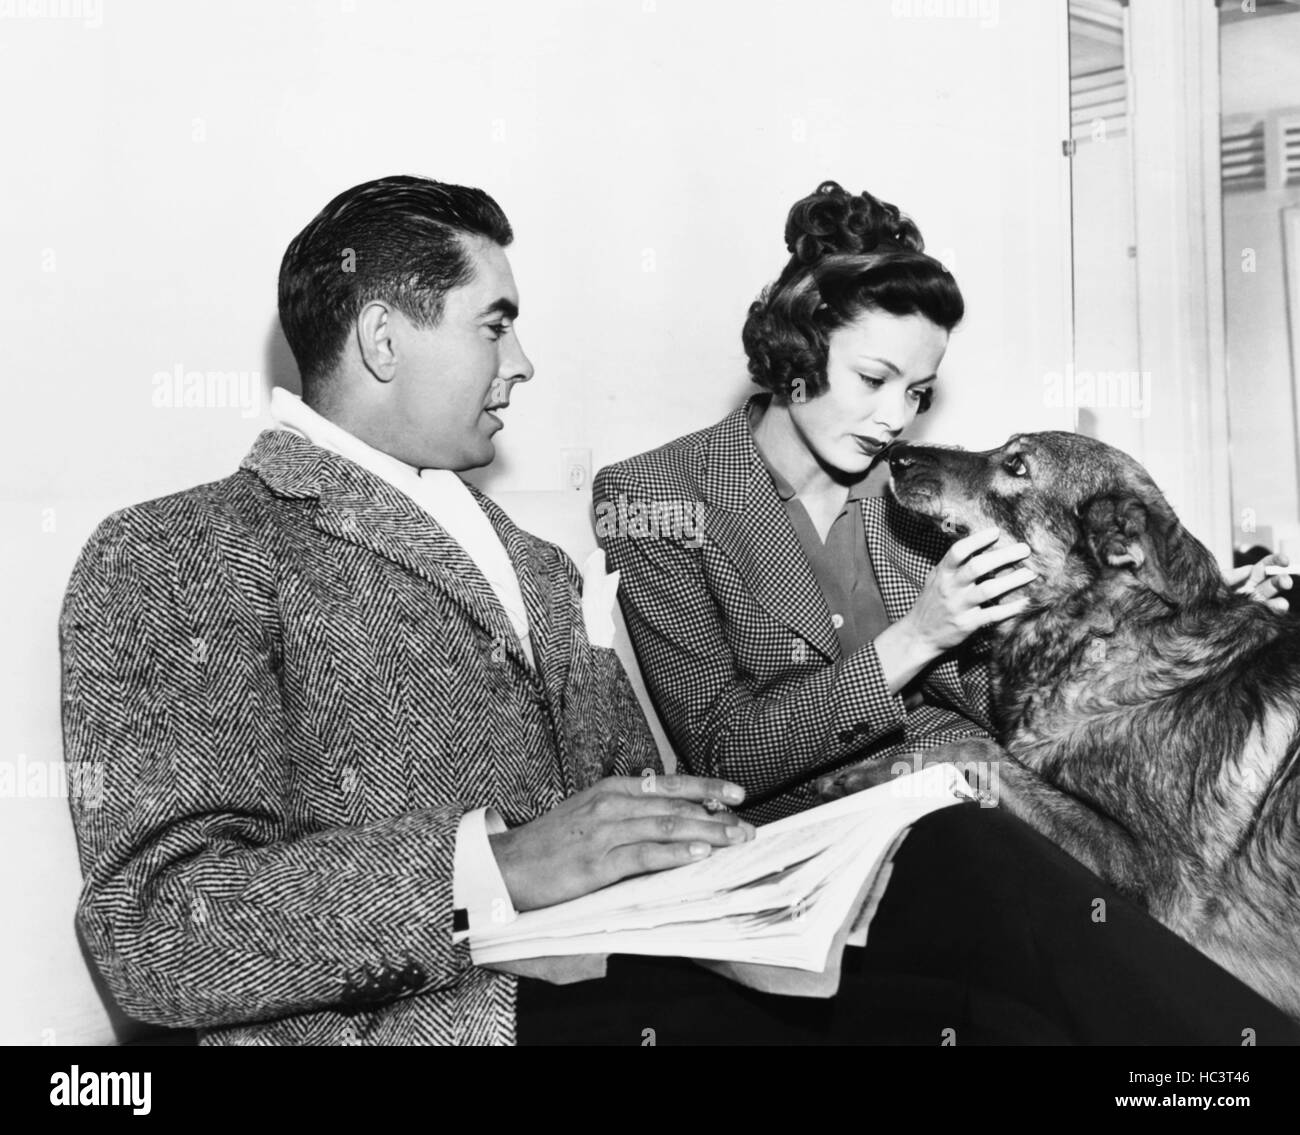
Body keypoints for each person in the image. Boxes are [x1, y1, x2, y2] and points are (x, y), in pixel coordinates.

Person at [61, 176, 1299, 1046]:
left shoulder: (529, 560)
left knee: (1001, 959)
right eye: (495, 323)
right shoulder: (181, 550)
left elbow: (641, 794)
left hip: (651, 945)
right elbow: (155, 929)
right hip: (447, 1012)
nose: (528, 362)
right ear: (383, 337)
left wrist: (751, 865)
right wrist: (481, 869)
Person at [595, 180, 1290, 823]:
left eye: (917, 392)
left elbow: (1025, 672)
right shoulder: (656, 498)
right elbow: (724, 749)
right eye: (874, 378)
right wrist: (917, 636)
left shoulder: (919, 490)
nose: (898, 419)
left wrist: (1166, 612)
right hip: (811, 827)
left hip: (988, 790)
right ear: (796, 346)